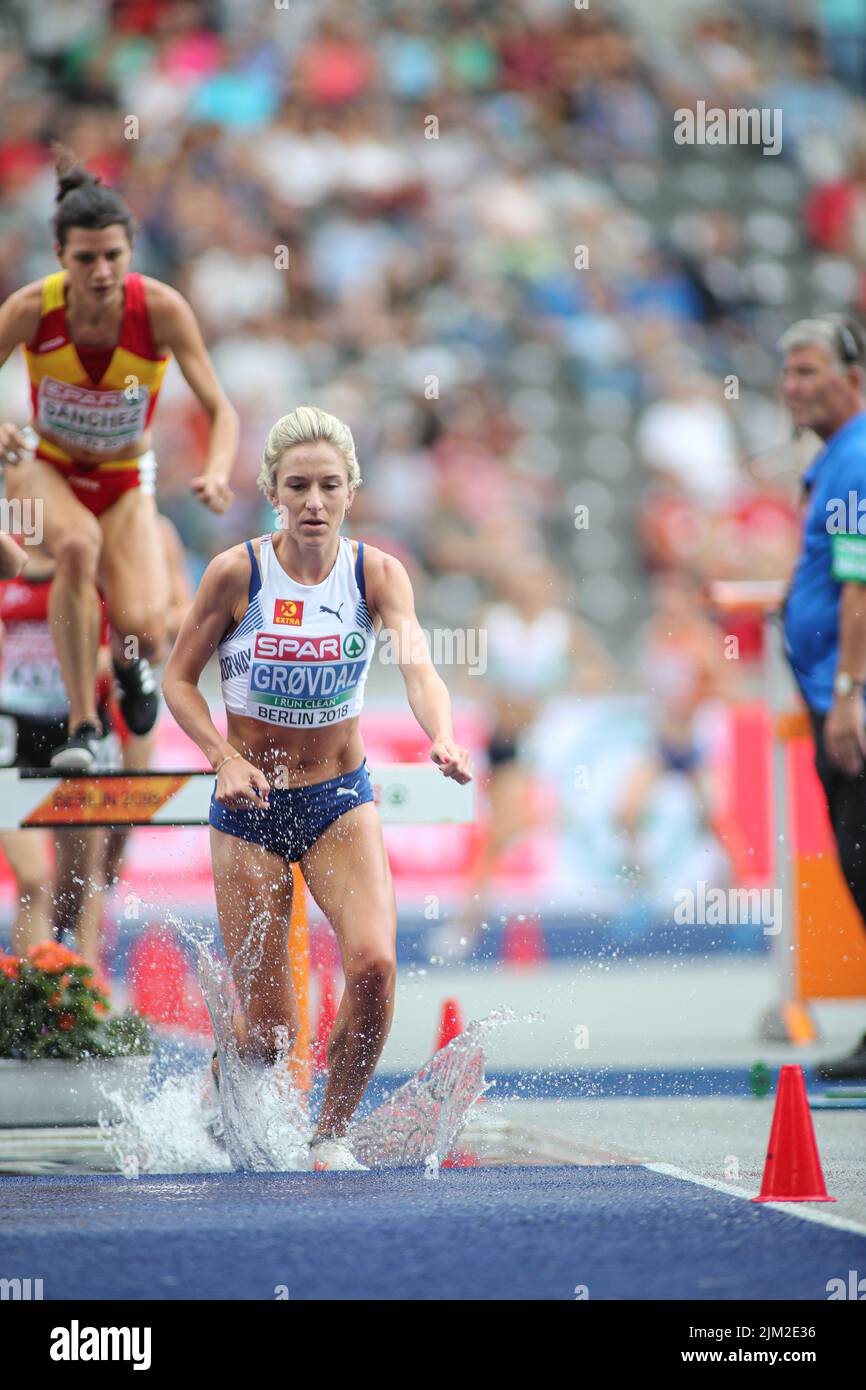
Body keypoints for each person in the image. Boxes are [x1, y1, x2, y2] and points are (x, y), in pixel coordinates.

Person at [163, 405, 472, 1171]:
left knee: (374, 966)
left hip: (339, 801)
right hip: (251, 808)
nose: (312, 501)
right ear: (272, 489)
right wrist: (219, 757)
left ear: (349, 493)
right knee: (269, 1034)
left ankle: (329, 1135)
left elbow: (419, 666)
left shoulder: (376, 572)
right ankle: (215, 1095)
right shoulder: (238, 572)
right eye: (297, 485)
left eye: (328, 486)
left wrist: (441, 732)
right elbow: (176, 680)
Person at [0, 146, 238, 770]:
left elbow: (221, 409)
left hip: (127, 480)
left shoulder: (160, 309)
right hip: (46, 467)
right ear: (60, 257)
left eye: (113, 256)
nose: (101, 272)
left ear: (130, 253)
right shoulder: (30, 311)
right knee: (76, 546)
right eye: (85, 259)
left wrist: (215, 469)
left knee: (143, 629)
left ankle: (135, 669)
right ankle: (82, 724)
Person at [431, 557, 612, 959]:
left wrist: (560, 691)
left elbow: (598, 670)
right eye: (523, 580)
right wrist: (492, 696)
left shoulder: (560, 628)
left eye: (537, 581)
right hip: (500, 738)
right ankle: (561, 818)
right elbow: (463, 670)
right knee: (499, 833)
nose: (529, 589)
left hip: (537, 742)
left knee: (497, 837)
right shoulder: (493, 621)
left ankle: (466, 923)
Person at [781, 313, 866, 1079]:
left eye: (809, 371)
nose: (792, 386)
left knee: (863, 854)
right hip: (837, 689)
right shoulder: (839, 459)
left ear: (853, 377)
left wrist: (847, 693)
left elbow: (860, 586)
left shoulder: (856, 459)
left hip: (850, 698)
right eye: (788, 373)